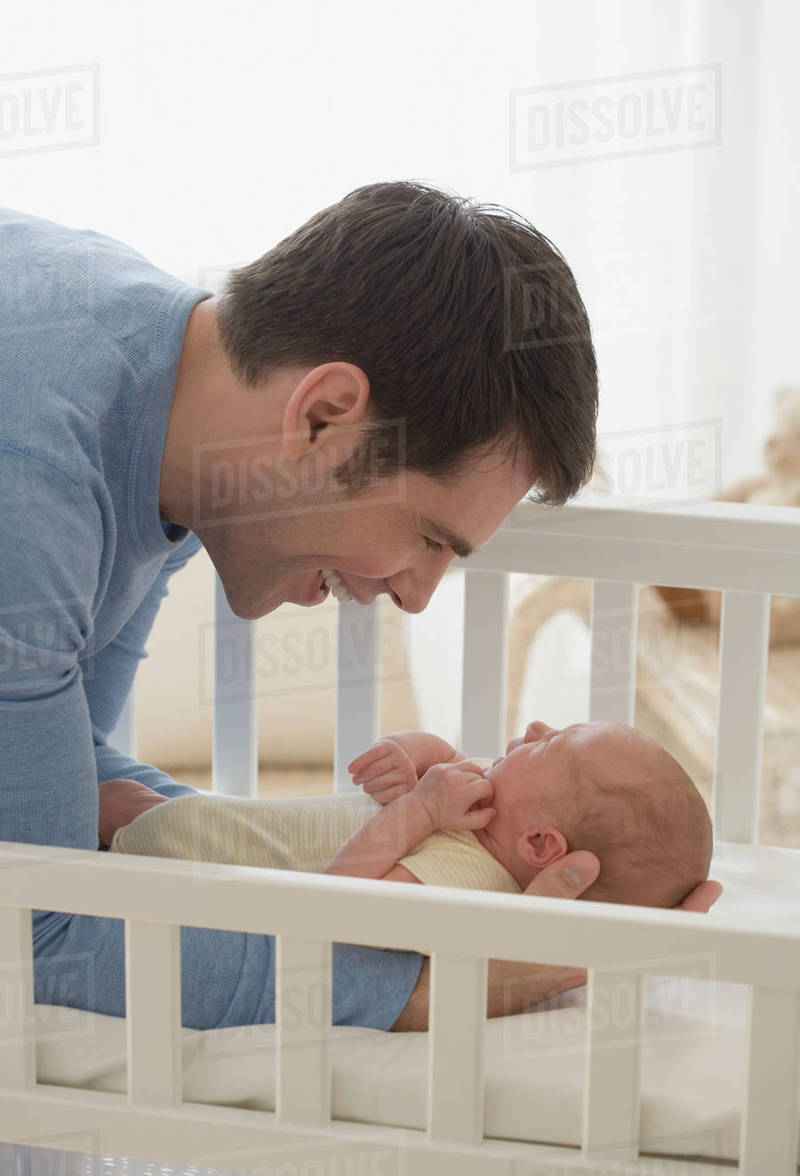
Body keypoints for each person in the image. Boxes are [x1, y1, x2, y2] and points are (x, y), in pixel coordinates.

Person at [0, 182, 719, 1036]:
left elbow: (60, 778)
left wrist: (244, 843)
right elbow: (28, 922)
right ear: (327, 417)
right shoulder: (32, 476)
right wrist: (408, 989)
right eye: (427, 538)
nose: (414, 596)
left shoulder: (169, 409)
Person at [102, 720, 712, 912]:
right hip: (217, 821)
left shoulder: (465, 879)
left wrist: (420, 808)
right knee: (128, 798)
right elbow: (441, 756)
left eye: (548, 744)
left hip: (195, 858)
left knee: (105, 817)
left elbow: (342, 898)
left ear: (542, 845)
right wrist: (409, 756)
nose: (532, 728)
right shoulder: (486, 803)